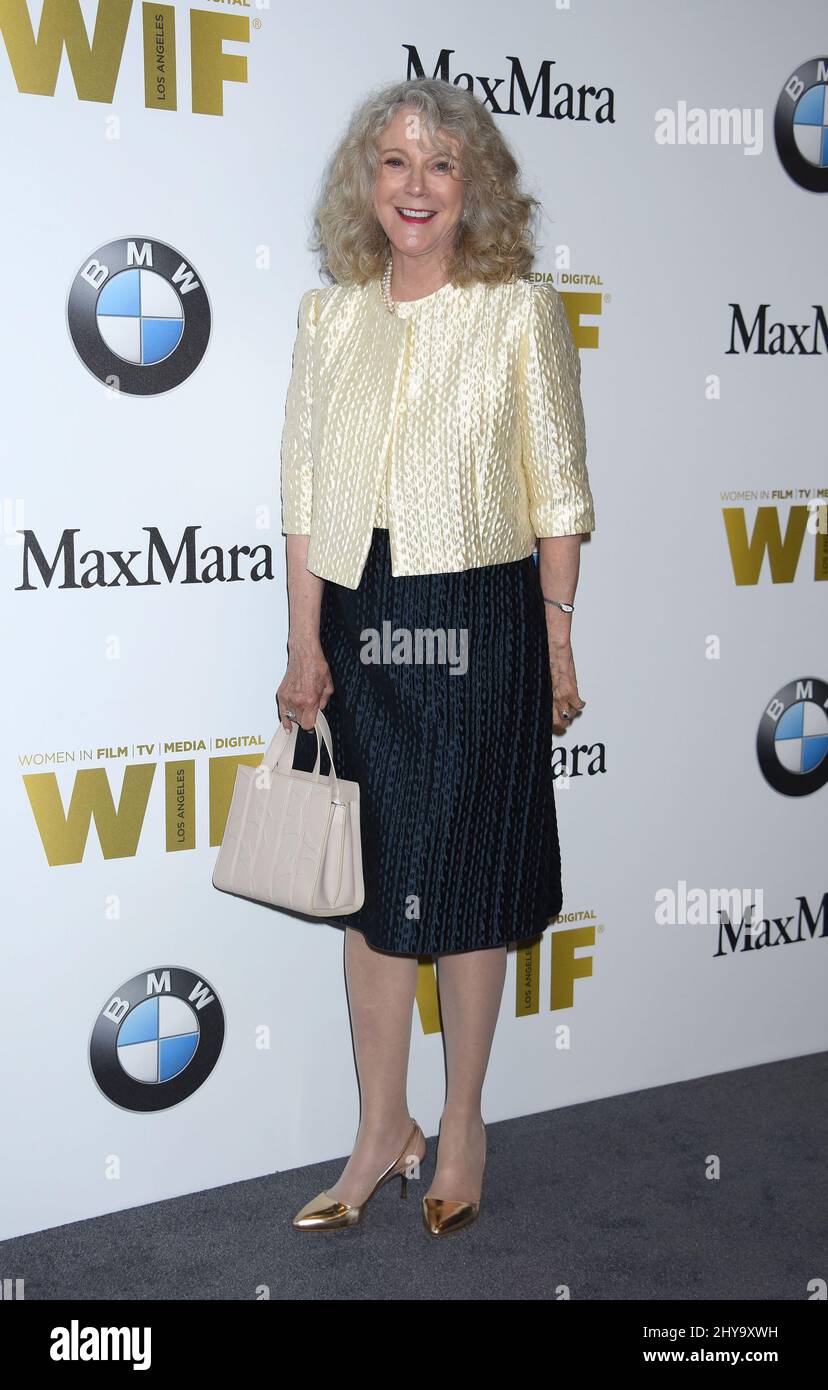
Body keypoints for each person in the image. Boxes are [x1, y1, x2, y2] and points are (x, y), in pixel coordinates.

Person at [276, 77, 595, 1236]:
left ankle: (461, 1123)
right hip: (364, 617)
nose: (415, 186)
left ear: (476, 188)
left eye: (441, 165)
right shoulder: (332, 315)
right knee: (370, 889)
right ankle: (381, 1128)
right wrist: (306, 641)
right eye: (395, 163)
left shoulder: (519, 307)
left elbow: (557, 487)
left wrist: (557, 636)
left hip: (484, 614)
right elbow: (306, 493)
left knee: (467, 879)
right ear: (368, 184)